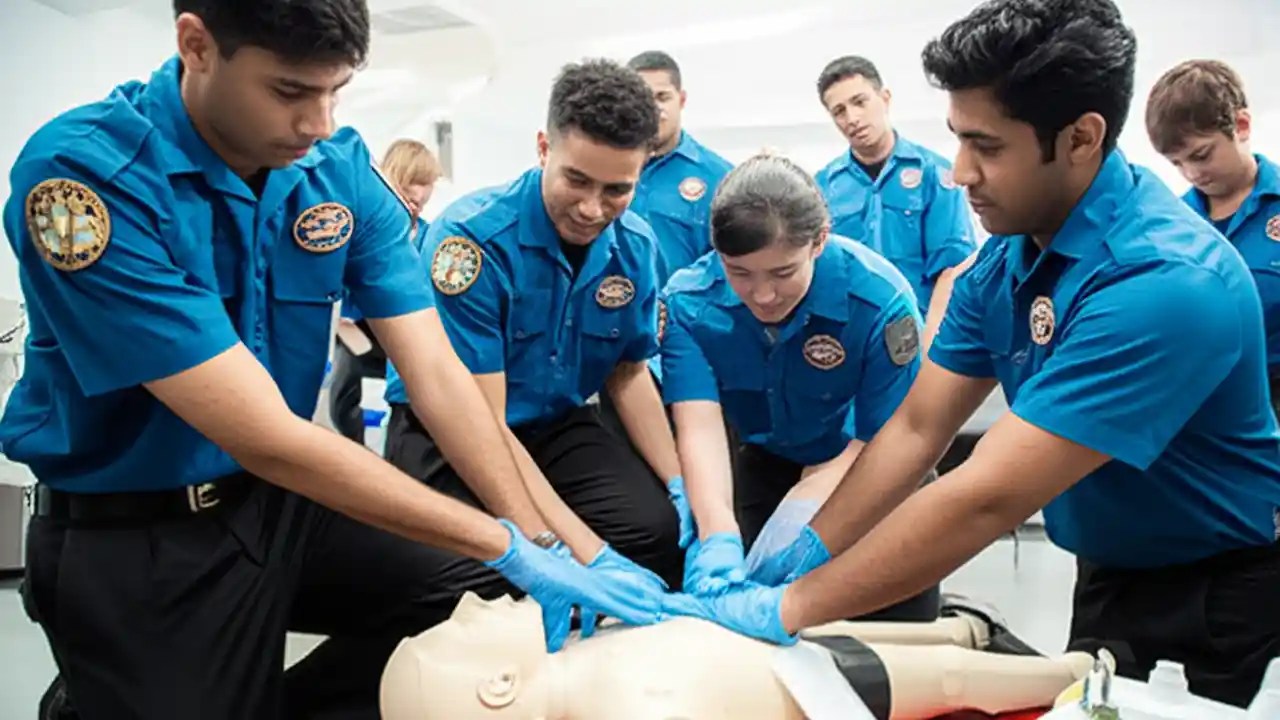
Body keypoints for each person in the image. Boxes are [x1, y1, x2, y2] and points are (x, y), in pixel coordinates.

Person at [4, 3, 665, 718]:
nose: (318, 122)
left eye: (336, 91)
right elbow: (266, 435)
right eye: (289, 92)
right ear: (196, 45)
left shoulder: (335, 170)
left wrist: (542, 547)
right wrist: (506, 541)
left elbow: (439, 374)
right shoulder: (88, 178)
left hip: (279, 506)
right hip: (143, 531)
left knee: (493, 603)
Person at [678, 0, 1280, 709]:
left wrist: (789, 607)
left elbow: (986, 495)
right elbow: (913, 429)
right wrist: (809, 548)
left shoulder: (1164, 283)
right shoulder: (1006, 262)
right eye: (959, 139)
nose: (959, 172)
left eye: (986, 147)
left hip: (1222, 589)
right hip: (1109, 564)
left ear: (1082, 138)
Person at [382, 59, 688, 589]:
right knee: (481, 572)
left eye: (617, 189)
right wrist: (582, 551)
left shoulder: (635, 247)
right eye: (577, 180)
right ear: (544, 148)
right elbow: (485, 423)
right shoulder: (471, 242)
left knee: (658, 533)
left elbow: (628, 372)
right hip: (455, 430)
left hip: (556, 424)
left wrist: (684, 489)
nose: (593, 209)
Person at [661, 154, 939, 620]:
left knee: (895, 625)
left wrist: (812, 529)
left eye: (783, 273)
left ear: (818, 242)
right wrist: (717, 534)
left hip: (875, 465)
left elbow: (887, 441)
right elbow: (701, 428)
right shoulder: (689, 303)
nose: (763, 295)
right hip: (769, 461)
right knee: (745, 609)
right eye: (740, 273)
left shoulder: (879, 302)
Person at [378, 591, 1095, 720]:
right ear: (500, 687)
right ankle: (1076, 673)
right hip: (813, 693)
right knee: (945, 679)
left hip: (779, 649)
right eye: (462, 628)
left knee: (855, 631)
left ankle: (958, 627)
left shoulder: (582, 649)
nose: (475, 606)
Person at [1145, 59, 1280, 414]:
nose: (1192, 172)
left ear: (1241, 125)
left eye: (1201, 155)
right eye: (1177, 163)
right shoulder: (1167, 227)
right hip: (1199, 407)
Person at [813, 55, 976, 320]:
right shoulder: (823, 186)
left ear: (885, 98)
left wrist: (932, 345)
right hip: (854, 333)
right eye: (839, 111)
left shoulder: (936, 174)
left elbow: (953, 271)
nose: (852, 118)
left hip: (920, 326)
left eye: (859, 102)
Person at [330, 138, 442, 443]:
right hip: (360, 336)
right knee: (347, 413)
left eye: (425, 185)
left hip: (409, 338)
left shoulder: (432, 236)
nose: (418, 194)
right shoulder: (363, 229)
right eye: (411, 183)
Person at [625, 51, 734, 286]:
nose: (652, 109)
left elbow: (736, 266)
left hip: (688, 318)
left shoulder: (721, 178)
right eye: (642, 99)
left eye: (662, 97)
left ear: (681, 100)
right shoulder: (603, 170)